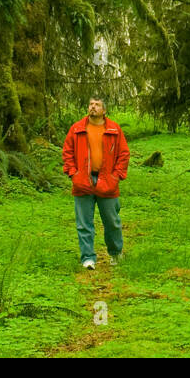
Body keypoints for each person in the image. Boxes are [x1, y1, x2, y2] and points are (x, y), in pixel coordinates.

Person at [61, 96, 129, 270]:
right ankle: (88, 258)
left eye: (97, 105)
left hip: (107, 181)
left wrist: (116, 176)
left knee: (112, 221)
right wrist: (73, 174)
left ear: (104, 110)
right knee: (84, 223)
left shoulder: (114, 129)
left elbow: (123, 154)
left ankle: (115, 253)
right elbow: (67, 152)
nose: (93, 107)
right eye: (91, 104)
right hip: (83, 181)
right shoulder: (77, 129)